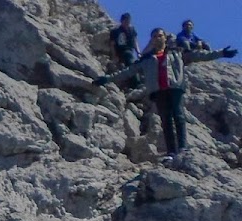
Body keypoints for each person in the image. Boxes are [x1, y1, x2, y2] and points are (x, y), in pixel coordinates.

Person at [95, 28, 237, 163]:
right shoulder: (146, 59)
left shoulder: (177, 52)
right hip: (158, 92)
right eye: (155, 36)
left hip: (175, 88)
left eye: (160, 35)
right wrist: (107, 79)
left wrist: (221, 53)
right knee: (166, 121)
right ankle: (171, 152)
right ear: (151, 40)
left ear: (165, 38)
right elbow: (128, 72)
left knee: (179, 116)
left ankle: (182, 148)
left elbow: (199, 55)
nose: (158, 38)